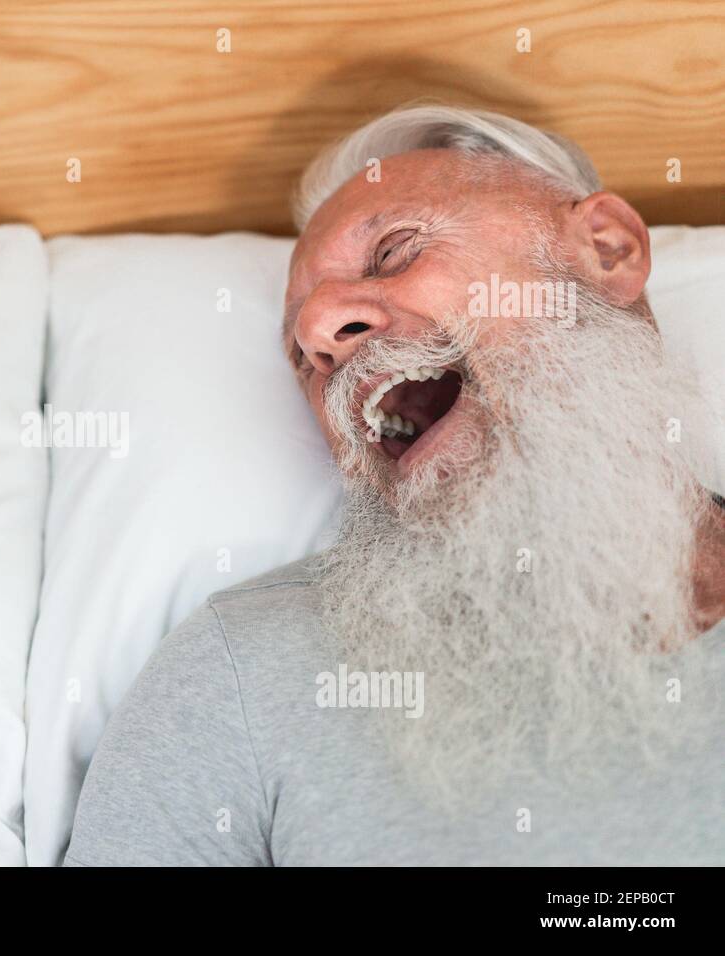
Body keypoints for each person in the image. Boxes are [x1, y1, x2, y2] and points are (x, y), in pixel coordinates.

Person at [66, 106, 725, 865]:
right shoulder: (243, 677)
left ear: (607, 251)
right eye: (299, 353)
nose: (321, 338)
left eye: (393, 253)